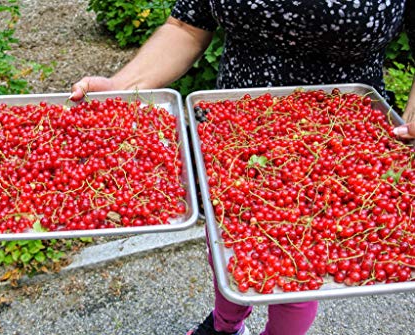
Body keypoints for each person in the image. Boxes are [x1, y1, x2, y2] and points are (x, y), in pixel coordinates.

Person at [71, 1, 415, 334]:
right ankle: (226, 326)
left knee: (298, 274)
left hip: (342, 145)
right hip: (231, 137)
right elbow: (186, 27)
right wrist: (122, 87)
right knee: (230, 249)